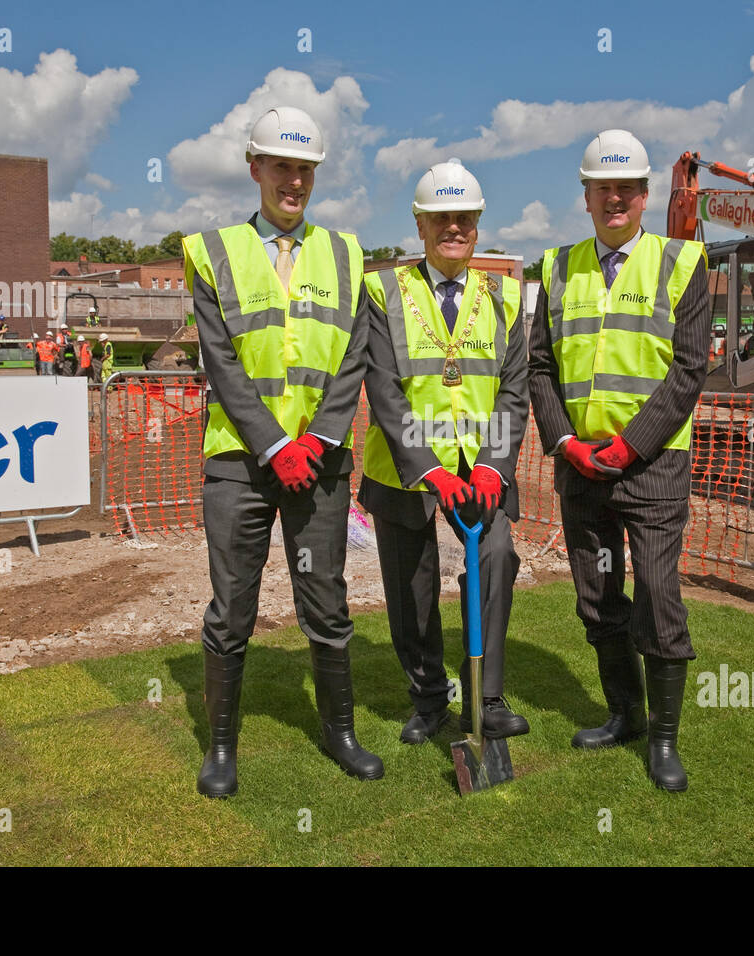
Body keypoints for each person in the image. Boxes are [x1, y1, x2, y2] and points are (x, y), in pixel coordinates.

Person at [182, 105, 378, 796]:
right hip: (239, 463)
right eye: (281, 167)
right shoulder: (210, 251)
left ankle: (340, 732)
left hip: (320, 465)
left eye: (305, 169)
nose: (293, 181)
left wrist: (318, 440)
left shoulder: (349, 253)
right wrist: (272, 444)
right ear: (255, 167)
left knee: (325, 602)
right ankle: (223, 748)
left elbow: (353, 356)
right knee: (232, 608)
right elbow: (222, 363)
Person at [527, 129, 711, 793]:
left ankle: (663, 741)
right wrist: (564, 442)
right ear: (585, 195)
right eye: (602, 186)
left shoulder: (684, 264)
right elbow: (540, 367)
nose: (615, 198)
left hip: (651, 466)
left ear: (644, 195)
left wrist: (631, 444)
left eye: (626, 187)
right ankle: (625, 715)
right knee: (597, 598)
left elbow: (689, 370)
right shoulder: (554, 267)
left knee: (659, 599)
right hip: (579, 466)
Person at [359, 160, 530, 744]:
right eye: (440, 219)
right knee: (412, 585)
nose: (452, 227)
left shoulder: (505, 294)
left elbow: (513, 387)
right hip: (406, 466)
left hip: (480, 465)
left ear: (477, 224)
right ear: (420, 224)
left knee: (497, 557)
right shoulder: (382, 291)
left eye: (463, 218)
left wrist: (489, 465)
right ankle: (429, 699)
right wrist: (431, 469)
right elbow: (383, 387)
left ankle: (485, 696)